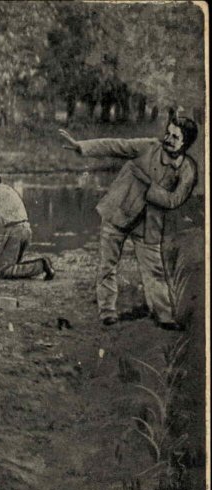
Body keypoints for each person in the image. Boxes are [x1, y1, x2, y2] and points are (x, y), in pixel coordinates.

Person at [59, 116, 198, 330]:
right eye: (168, 133)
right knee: (107, 265)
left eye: (175, 137)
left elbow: (174, 201)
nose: (168, 139)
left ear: (185, 143)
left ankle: (164, 317)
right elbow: (116, 145)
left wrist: (147, 185)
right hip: (118, 211)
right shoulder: (149, 146)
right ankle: (107, 313)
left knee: (155, 271)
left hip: (149, 223)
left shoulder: (188, 170)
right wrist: (81, 147)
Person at [0, 172, 56, 280]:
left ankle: (41, 265)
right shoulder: (6, 189)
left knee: (2, 271)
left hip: (14, 231)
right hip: (26, 230)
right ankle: (42, 265)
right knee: (13, 267)